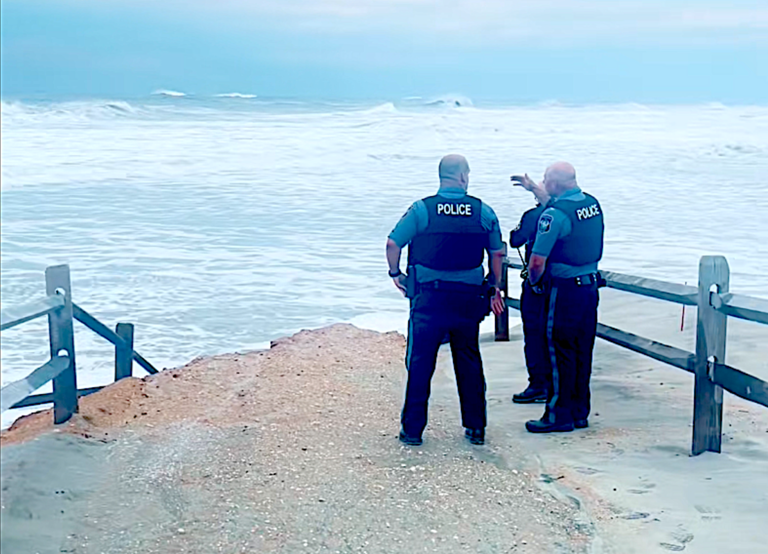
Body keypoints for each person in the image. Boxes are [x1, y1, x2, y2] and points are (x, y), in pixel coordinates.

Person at [386, 154, 506, 446]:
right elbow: (498, 253)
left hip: (429, 299)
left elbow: (393, 243)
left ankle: (412, 431)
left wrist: (396, 274)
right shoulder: (482, 211)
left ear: (441, 177)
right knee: (468, 360)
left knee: (420, 363)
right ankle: (476, 428)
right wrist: (494, 285)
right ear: (464, 177)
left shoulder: (421, 210)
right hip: (467, 299)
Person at [511, 162, 604, 433]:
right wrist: (533, 190)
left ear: (554, 184)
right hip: (589, 287)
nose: (543, 183)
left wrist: (534, 283)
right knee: (581, 350)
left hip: (563, 291)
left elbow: (537, 262)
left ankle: (557, 415)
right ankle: (578, 412)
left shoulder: (553, 216)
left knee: (558, 352)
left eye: (545, 180)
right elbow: (559, 204)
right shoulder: (591, 204)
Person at [508, 201, 551, 404]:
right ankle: (555, 384)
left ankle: (537, 385)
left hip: (537, 283)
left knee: (533, 334)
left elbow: (515, 240)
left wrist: (533, 283)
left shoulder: (533, 215)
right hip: (561, 283)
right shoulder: (565, 213)